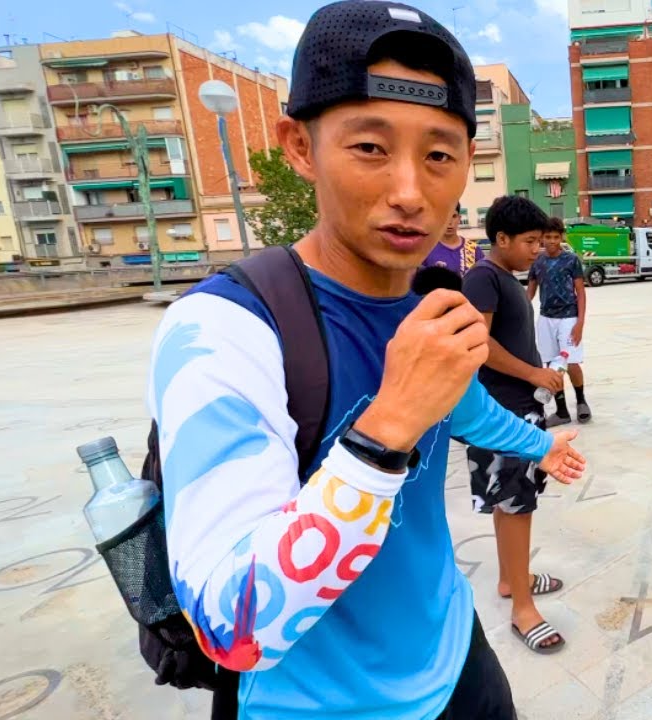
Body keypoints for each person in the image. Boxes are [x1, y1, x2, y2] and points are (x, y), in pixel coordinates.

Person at [146, 3, 586, 717]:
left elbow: (470, 410)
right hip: (317, 702)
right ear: (298, 146)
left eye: (439, 155)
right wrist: (388, 427)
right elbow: (233, 626)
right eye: (371, 148)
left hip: (457, 659)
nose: (411, 192)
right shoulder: (221, 330)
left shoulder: (428, 306)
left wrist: (543, 444)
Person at [462, 196, 570, 654]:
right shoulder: (484, 277)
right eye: (528, 241)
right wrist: (532, 374)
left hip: (517, 407)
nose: (537, 249)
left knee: (512, 503)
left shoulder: (505, 278)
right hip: (503, 413)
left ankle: (512, 579)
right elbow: (476, 343)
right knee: (517, 504)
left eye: (540, 240)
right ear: (500, 239)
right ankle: (523, 610)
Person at [527, 217, 591, 425]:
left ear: (561, 237)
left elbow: (580, 293)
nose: (552, 241)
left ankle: (581, 402)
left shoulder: (571, 260)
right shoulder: (537, 261)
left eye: (556, 237)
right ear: (542, 239)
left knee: (571, 362)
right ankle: (561, 411)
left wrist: (580, 323)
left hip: (569, 318)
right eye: (548, 237)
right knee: (552, 365)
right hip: (546, 319)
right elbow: (529, 293)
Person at [422, 202, 485, 277]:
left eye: (453, 216)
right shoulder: (426, 250)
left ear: (459, 218)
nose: (449, 222)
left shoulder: (473, 249)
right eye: (445, 216)